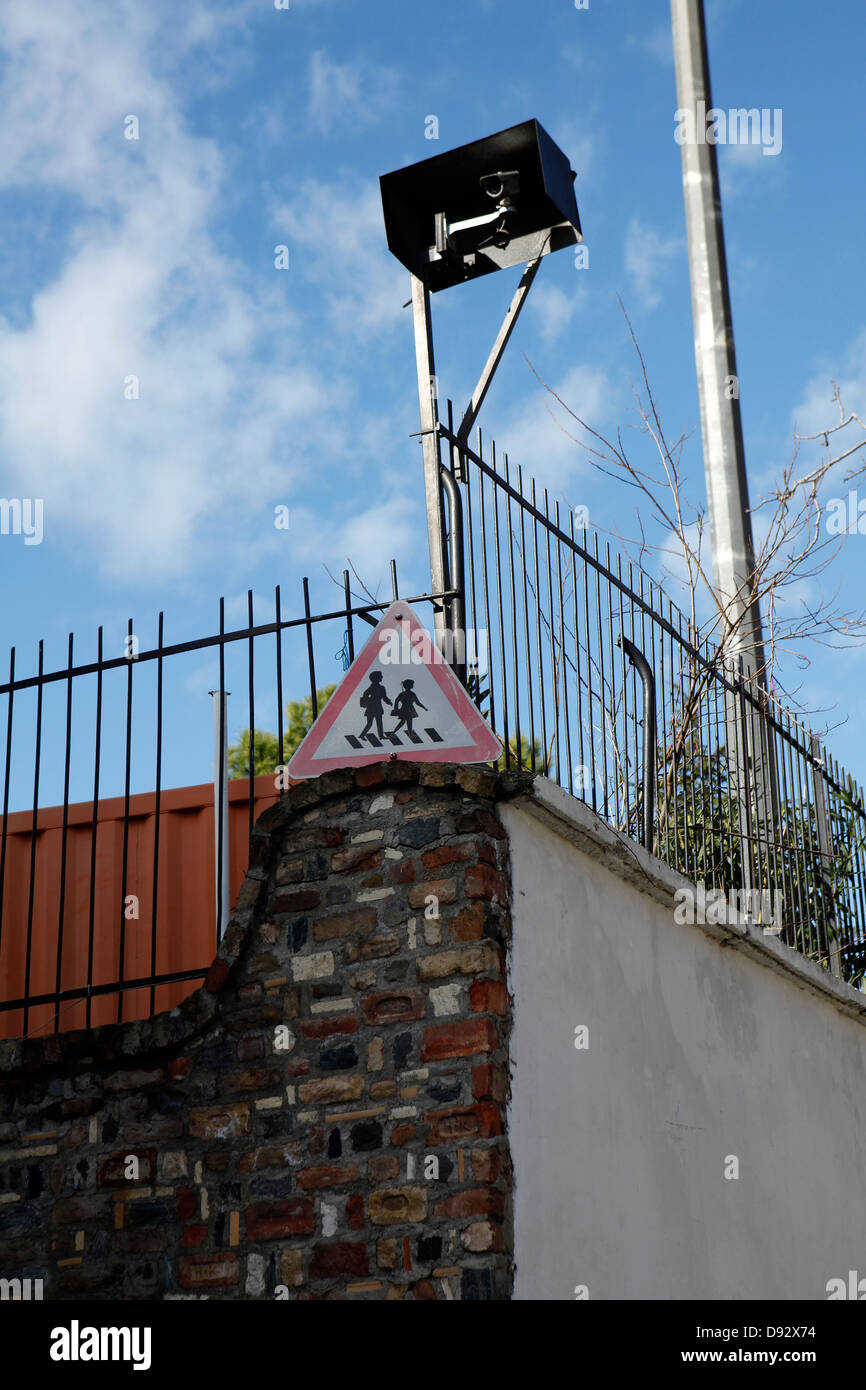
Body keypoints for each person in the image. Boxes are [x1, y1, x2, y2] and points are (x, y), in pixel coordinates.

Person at [359, 671, 392, 740]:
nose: (382, 677)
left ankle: (381, 736)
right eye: (380, 676)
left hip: (377, 707)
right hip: (372, 707)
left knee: (379, 722)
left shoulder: (381, 687)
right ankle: (362, 735)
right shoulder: (374, 687)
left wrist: (389, 702)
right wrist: (369, 701)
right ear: (376, 678)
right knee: (370, 723)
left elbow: (384, 697)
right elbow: (365, 694)